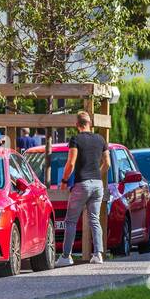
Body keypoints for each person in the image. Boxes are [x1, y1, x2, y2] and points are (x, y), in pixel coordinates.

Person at [55, 111, 110, 266]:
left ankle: (66, 257)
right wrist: (96, 173)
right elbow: (107, 163)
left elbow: (71, 163)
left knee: (71, 221)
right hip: (98, 184)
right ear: (90, 123)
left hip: (82, 184)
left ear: (76, 124)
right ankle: (98, 254)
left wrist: (64, 180)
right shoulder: (101, 139)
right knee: (94, 219)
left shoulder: (76, 139)